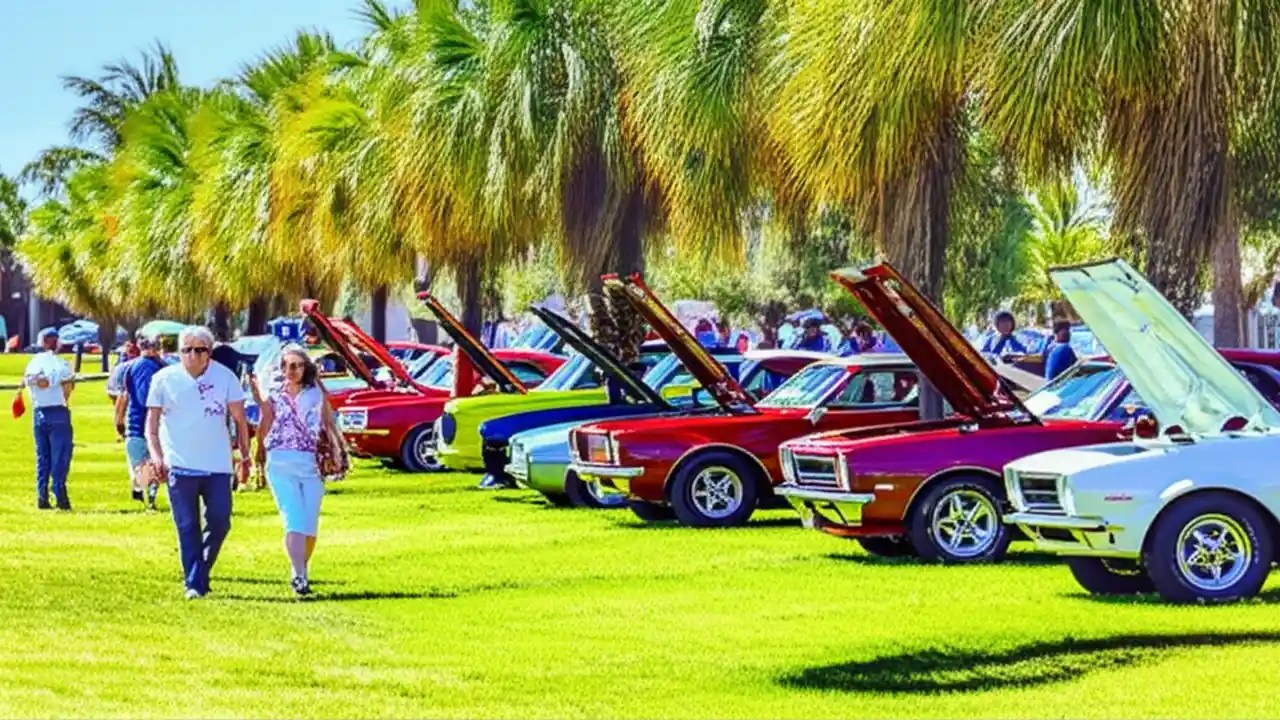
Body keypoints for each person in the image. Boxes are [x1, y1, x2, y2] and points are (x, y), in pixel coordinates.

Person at [146, 326, 251, 600]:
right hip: (179, 465)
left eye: (200, 349)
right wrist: (158, 457)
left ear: (209, 352)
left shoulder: (225, 377)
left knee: (220, 522)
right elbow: (151, 427)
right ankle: (195, 583)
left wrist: (245, 456)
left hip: (217, 465)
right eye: (187, 349)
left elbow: (240, 420)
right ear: (179, 353)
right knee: (187, 525)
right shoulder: (163, 379)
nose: (193, 355)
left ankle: (201, 570)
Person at [256, 346, 339, 596]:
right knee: (293, 518)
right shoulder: (273, 394)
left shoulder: (316, 394)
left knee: (310, 524)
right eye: (287, 366)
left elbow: (328, 422)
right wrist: (257, 451)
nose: (291, 371)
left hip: (310, 463)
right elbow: (265, 422)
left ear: (306, 368)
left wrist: (336, 450)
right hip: (280, 461)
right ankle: (299, 575)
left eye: (297, 365)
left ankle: (302, 567)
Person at [23, 328, 75, 510]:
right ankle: (60, 493)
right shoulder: (60, 364)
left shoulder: (32, 363)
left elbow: (33, 382)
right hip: (57, 412)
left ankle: (42, 495)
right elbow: (66, 388)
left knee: (42, 457)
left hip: (38, 412)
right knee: (60, 455)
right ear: (52, 341)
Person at [117, 334, 167, 509]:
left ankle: (142, 491)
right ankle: (147, 496)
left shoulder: (134, 366)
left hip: (139, 425)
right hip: (144, 425)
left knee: (144, 463)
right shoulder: (147, 366)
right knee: (148, 463)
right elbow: (145, 397)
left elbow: (123, 395)